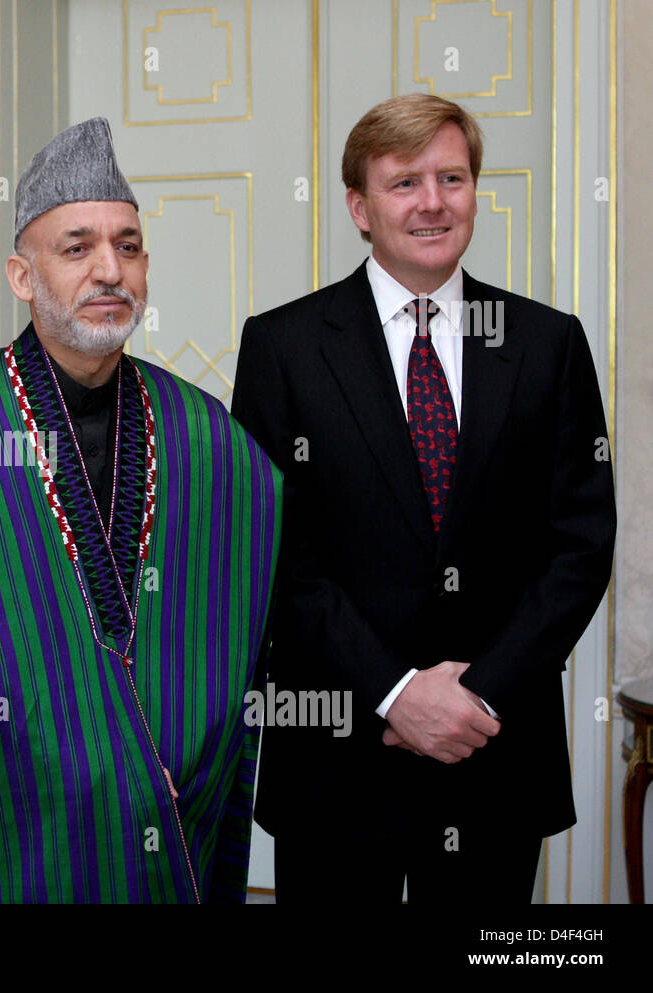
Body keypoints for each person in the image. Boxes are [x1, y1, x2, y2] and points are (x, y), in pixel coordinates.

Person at [0, 118, 282, 903]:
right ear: (21, 274)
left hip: (159, 828)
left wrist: (164, 751)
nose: (110, 269)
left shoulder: (208, 433)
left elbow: (249, 615)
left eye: (130, 245)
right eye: (77, 247)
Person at [231, 94, 616, 904]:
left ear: (476, 192)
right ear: (359, 208)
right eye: (404, 182)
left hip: (495, 749)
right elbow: (270, 551)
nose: (432, 201)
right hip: (338, 753)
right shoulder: (283, 346)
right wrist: (398, 692)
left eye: (452, 177)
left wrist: (475, 694)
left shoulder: (547, 343)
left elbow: (579, 547)